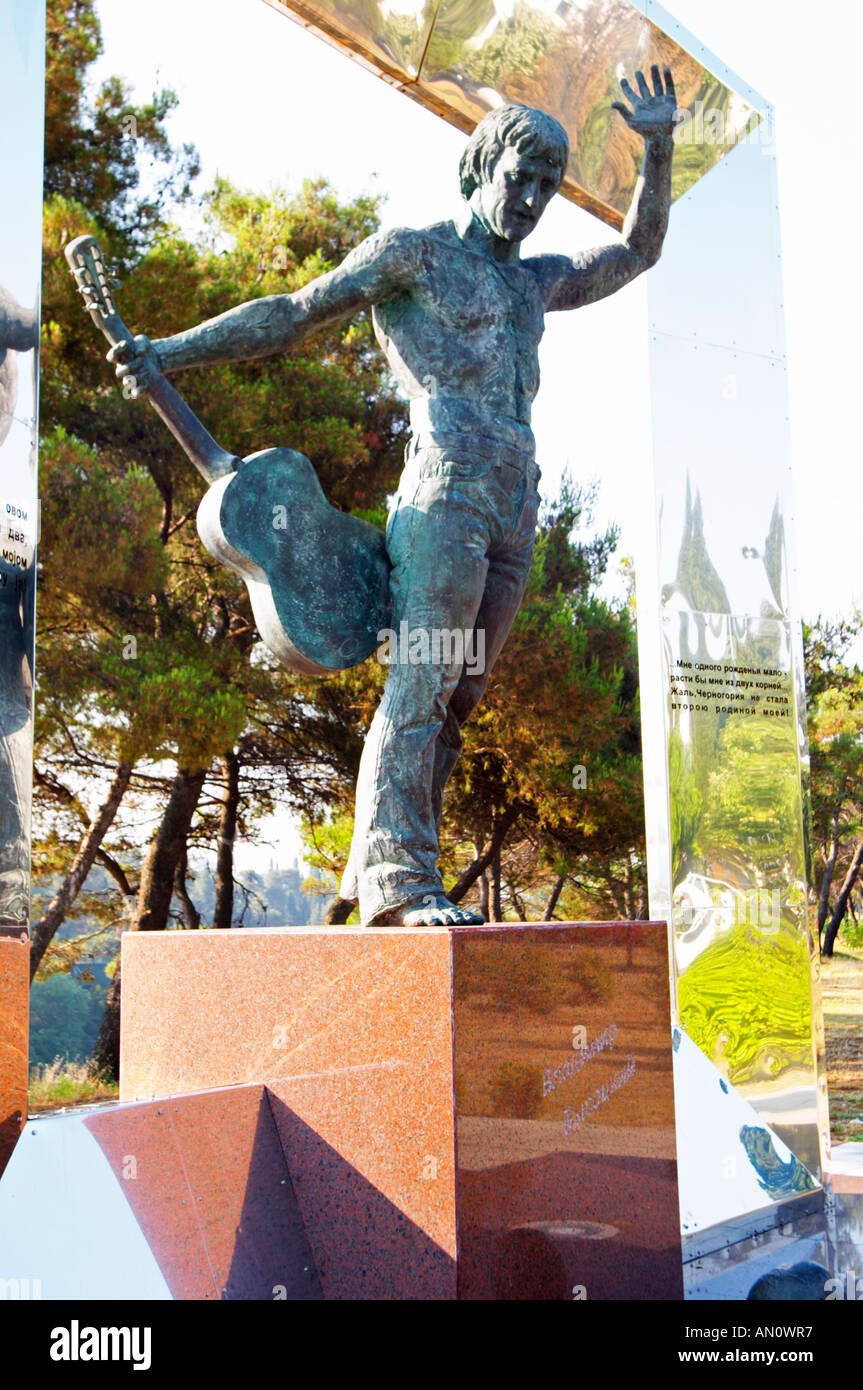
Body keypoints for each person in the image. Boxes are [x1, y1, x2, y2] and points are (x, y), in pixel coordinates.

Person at [111, 68, 677, 926]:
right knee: (420, 680)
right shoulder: (411, 255)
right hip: (444, 494)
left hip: (514, 507)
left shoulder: (535, 283)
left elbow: (636, 251)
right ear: (478, 167)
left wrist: (658, 147)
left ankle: (365, 879)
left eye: (544, 186)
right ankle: (398, 884)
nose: (527, 199)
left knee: (458, 695)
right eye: (515, 176)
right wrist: (171, 351)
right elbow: (293, 313)